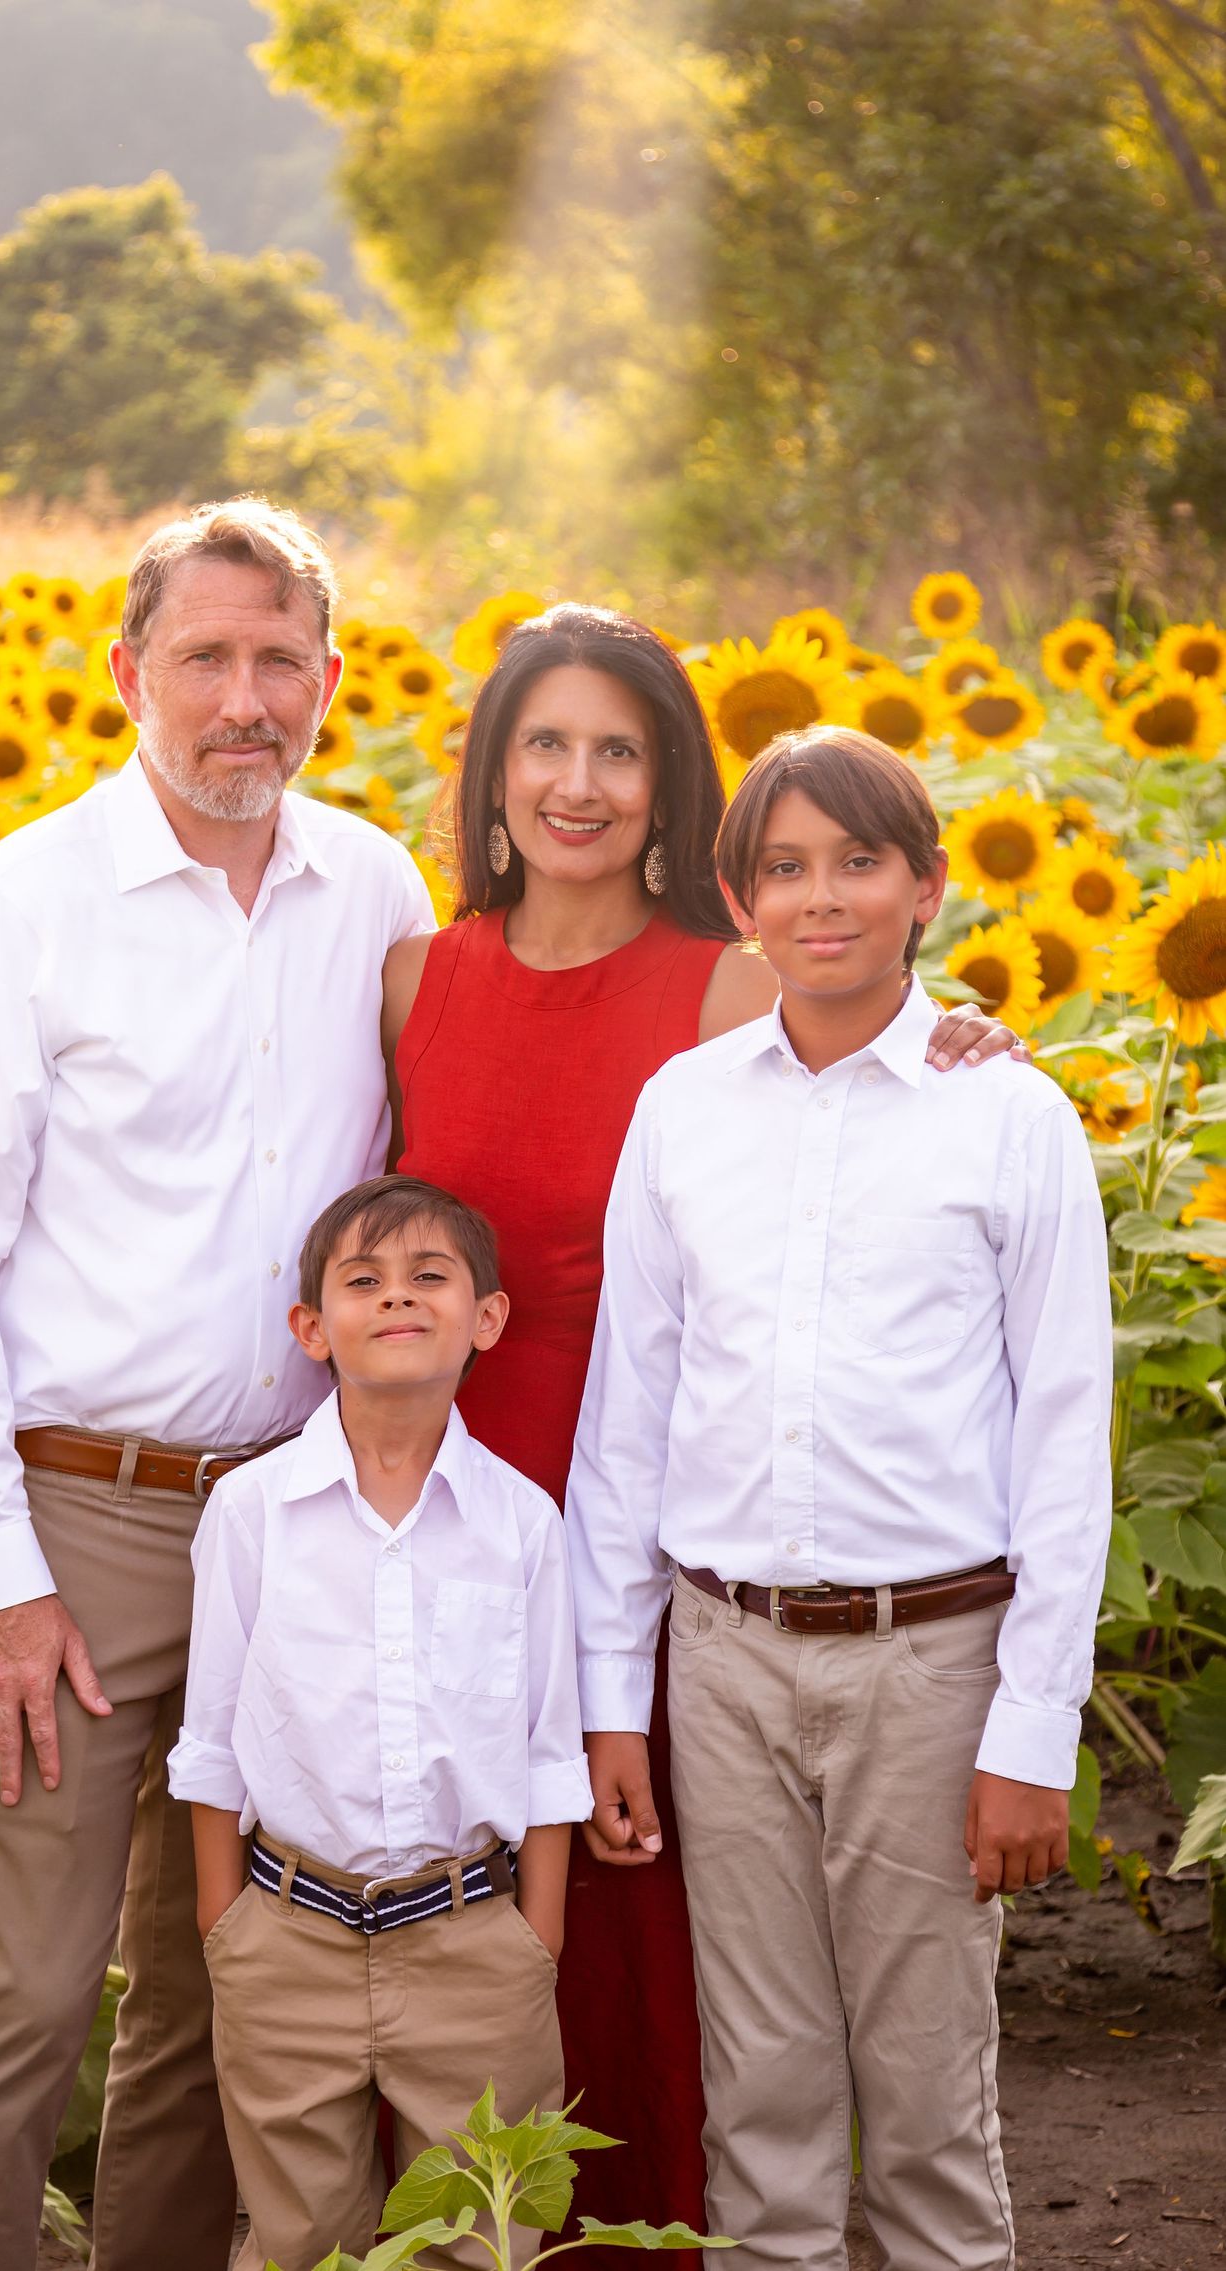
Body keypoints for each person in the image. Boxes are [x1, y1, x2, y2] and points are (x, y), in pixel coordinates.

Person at [382, 606, 1026, 2235]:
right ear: (495, 770)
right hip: (446, 1513)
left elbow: (849, 1101)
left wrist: (966, 1038)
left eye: (620, 749)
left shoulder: (725, 983)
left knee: (661, 1946)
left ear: (676, 790)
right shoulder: (412, 980)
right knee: (455, 1919)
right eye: (545, 745)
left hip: (656, 1526)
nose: (578, 784)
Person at [0, 499, 434, 2271]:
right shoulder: (15, 914)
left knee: (220, 1992)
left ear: (330, 682)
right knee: (27, 1980)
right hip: (80, 1522)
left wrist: (919, 1030)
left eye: (281, 660)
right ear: (130, 674)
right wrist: (0, 1582)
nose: (245, 698)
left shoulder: (380, 894)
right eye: (206, 656)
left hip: (291, 1520)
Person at [567, 723, 1112, 2270]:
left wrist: (1032, 1730)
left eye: (860, 862)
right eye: (786, 868)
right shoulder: (683, 1109)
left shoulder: (1008, 1117)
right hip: (723, 1653)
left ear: (926, 888)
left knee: (932, 2105)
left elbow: (1067, 1440)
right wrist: (619, 1698)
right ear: (739, 900)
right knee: (764, 2097)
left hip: (930, 1660)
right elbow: (632, 1418)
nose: (824, 899)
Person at [169, 1174, 593, 2270]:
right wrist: (230, 1928)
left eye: (428, 1276)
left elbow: (551, 1755)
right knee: (300, 2238)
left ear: (486, 1318)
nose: (396, 1298)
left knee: (481, 2240)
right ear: (313, 1327)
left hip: (473, 1943)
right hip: (286, 1938)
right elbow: (211, 1742)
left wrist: (531, 1942)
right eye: (363, 1281)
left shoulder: (524, 1525)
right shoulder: (252, 1512)